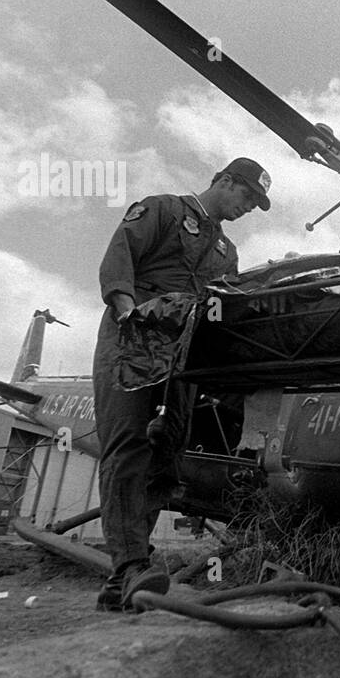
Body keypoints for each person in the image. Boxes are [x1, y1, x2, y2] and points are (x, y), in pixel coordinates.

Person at [93, 158, 272, 611]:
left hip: (184, 357)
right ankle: (133, 562)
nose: (250, 207)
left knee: (166, 453)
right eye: (247, 196)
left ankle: (123, 575)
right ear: (225, 181)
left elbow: (221, 309)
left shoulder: (227, 253)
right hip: (134, 341)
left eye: (255, 202)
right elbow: (119, 261)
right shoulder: (165, 210)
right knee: (129, 444)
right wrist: (126, 314)